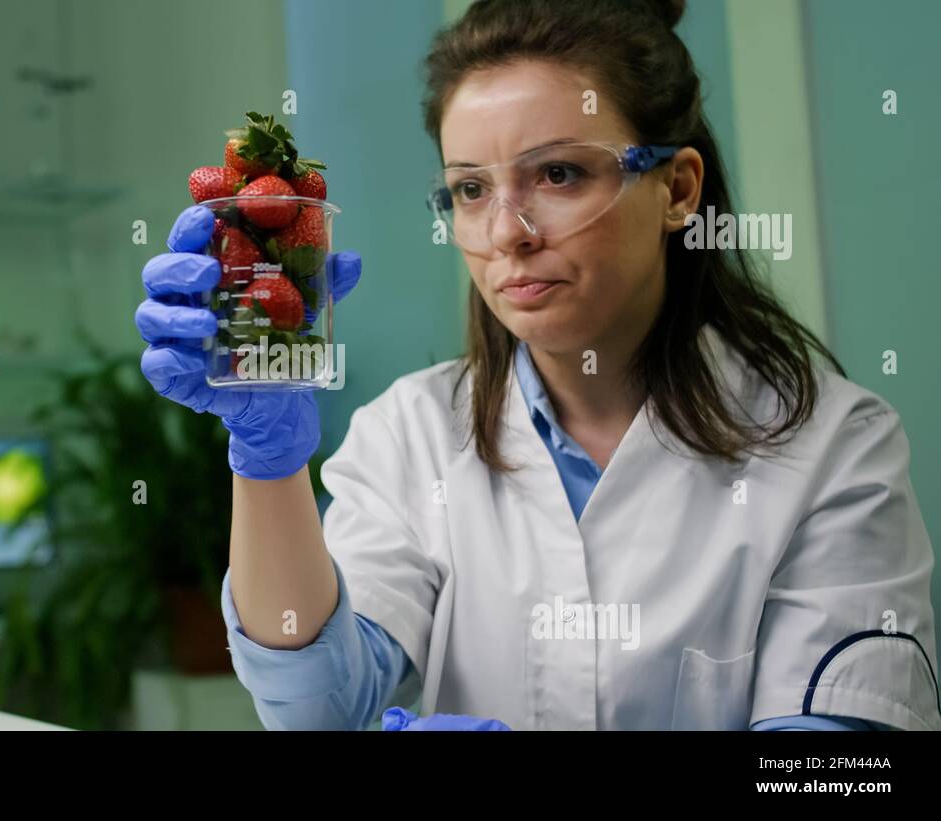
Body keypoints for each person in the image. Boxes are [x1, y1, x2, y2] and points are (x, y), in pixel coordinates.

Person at [134, 0, 939, 730]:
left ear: (678, 189)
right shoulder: (410, 436)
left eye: (559, 173)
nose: (509, 231)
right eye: (471, 189)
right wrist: (268, 464)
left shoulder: (835, 447)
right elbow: (317, 706)